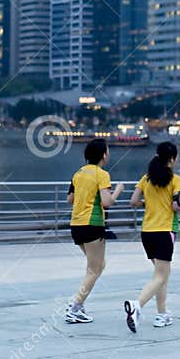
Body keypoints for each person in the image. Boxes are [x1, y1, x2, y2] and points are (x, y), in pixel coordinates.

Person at [124, 142, 180, 333]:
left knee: (161, 276)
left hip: (147, 232)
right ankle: (137, 306)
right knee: (161, 276)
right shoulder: (176, 180)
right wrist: (173, 204)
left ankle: (162, 315)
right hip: (165, 231)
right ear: (173, 158)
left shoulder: (145, 179)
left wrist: (148, 205)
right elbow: (177, 206)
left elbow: (133, 201)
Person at [65, 138, 124, 323]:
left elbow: (70, 199)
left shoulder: (78, 173)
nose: (108, 154)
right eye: (107, 151)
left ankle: (77, 305)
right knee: (94, 269)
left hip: (76, 225)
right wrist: (118, 191)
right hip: (93, 224)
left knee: (98, 266)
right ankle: (75, 307)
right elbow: (107, 202)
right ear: (103, 155)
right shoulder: (102, 174)